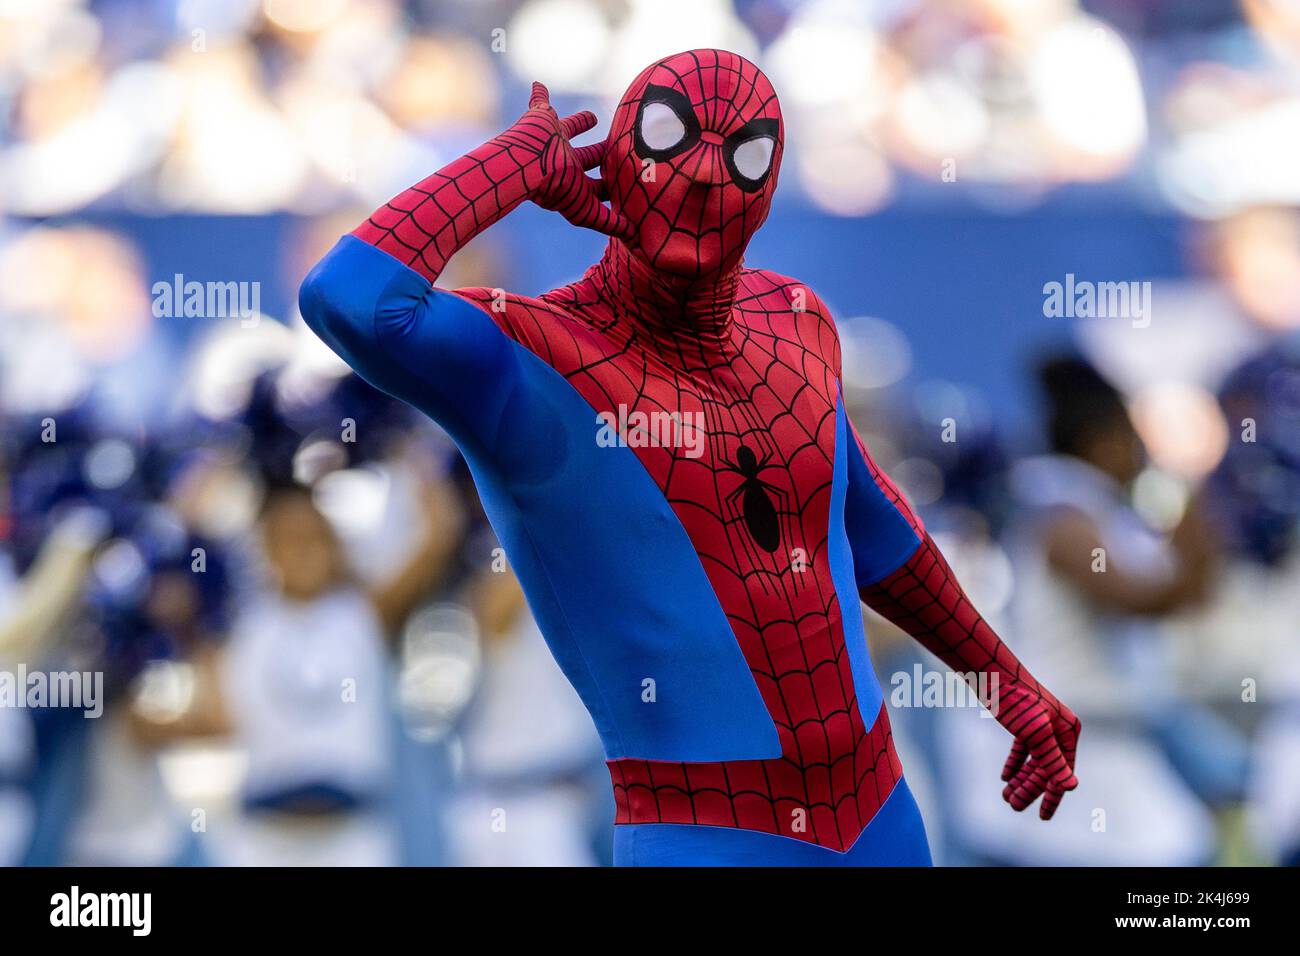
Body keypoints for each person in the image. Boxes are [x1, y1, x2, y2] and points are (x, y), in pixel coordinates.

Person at [300, 49, 1079, 866]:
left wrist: (1005, 682)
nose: (708, 174)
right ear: (618, 161)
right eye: (672, 137)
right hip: (704, 832)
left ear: (770, 191)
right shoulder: (527, 359)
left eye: (744, 152)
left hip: (882, 809)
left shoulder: (797, 317)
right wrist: (511, 164)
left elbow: (869, 525)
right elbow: (346, 297)